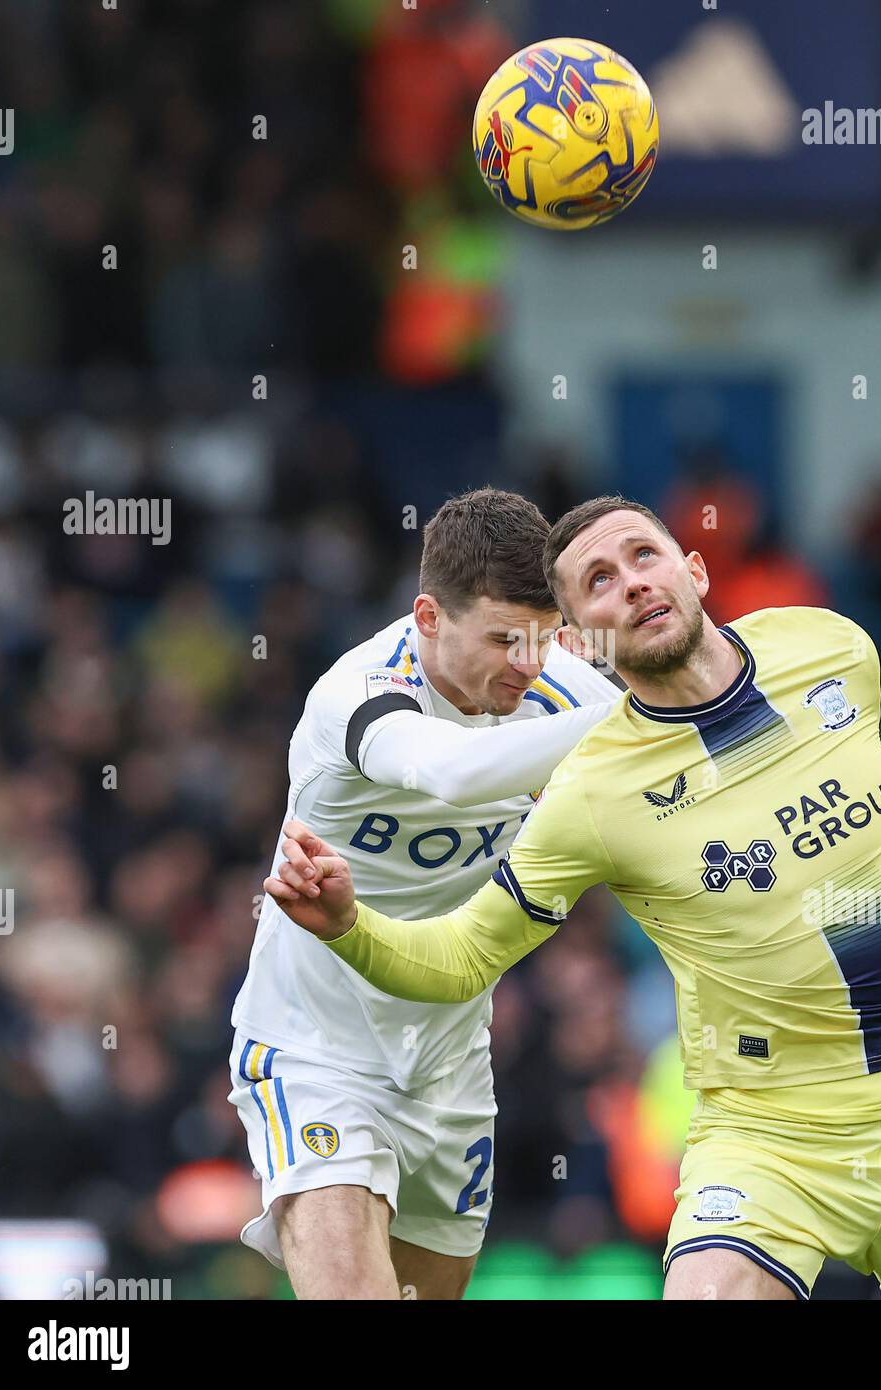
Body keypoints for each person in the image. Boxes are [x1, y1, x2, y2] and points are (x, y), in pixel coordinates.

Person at [265, 494, 881, 1302]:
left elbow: (845, 866)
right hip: (768, 1137)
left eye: (642, 556)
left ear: (693, 570)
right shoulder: (593, 793)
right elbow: (462, 955)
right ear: (577, 640)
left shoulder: (834, 649)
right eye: (598, 580)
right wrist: (350, 926)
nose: (630, 584)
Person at [230, 488, 618, 1299]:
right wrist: (643, 719)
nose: (531, 664)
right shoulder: (358, 692)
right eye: (506, 638)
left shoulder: (559, 693)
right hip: (315, 1053)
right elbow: (451, 773)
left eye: (547, 638)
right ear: (429, 615)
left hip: (449, 1071)